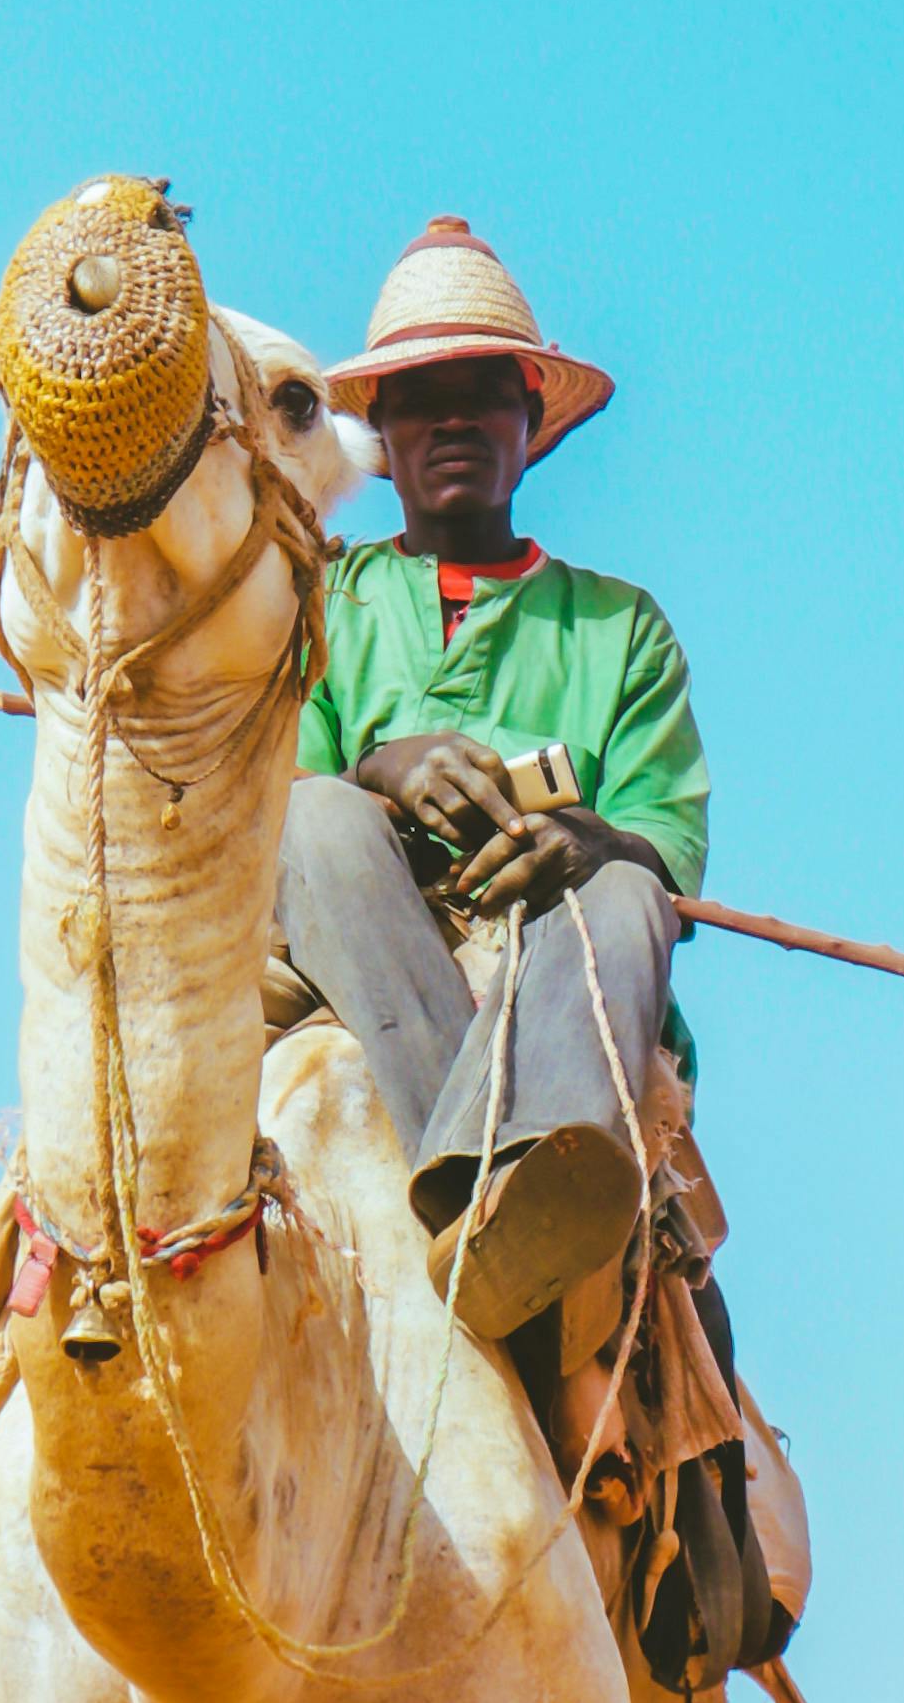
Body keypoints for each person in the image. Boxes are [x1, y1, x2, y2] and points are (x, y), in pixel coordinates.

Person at [279, 218, 709, 1340]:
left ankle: (526, 1183)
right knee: (317, 815)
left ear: (530, 424)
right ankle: (480, 1204)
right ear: (382, 430)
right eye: (422, 395)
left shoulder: (622, 627)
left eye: (484, 391)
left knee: (628, 895)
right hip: (359, 960)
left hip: (556, 979)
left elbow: (664, 831)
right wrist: (382, 765)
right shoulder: (316, 599)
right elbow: (275, 802)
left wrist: (591, 844)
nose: (456, 418)